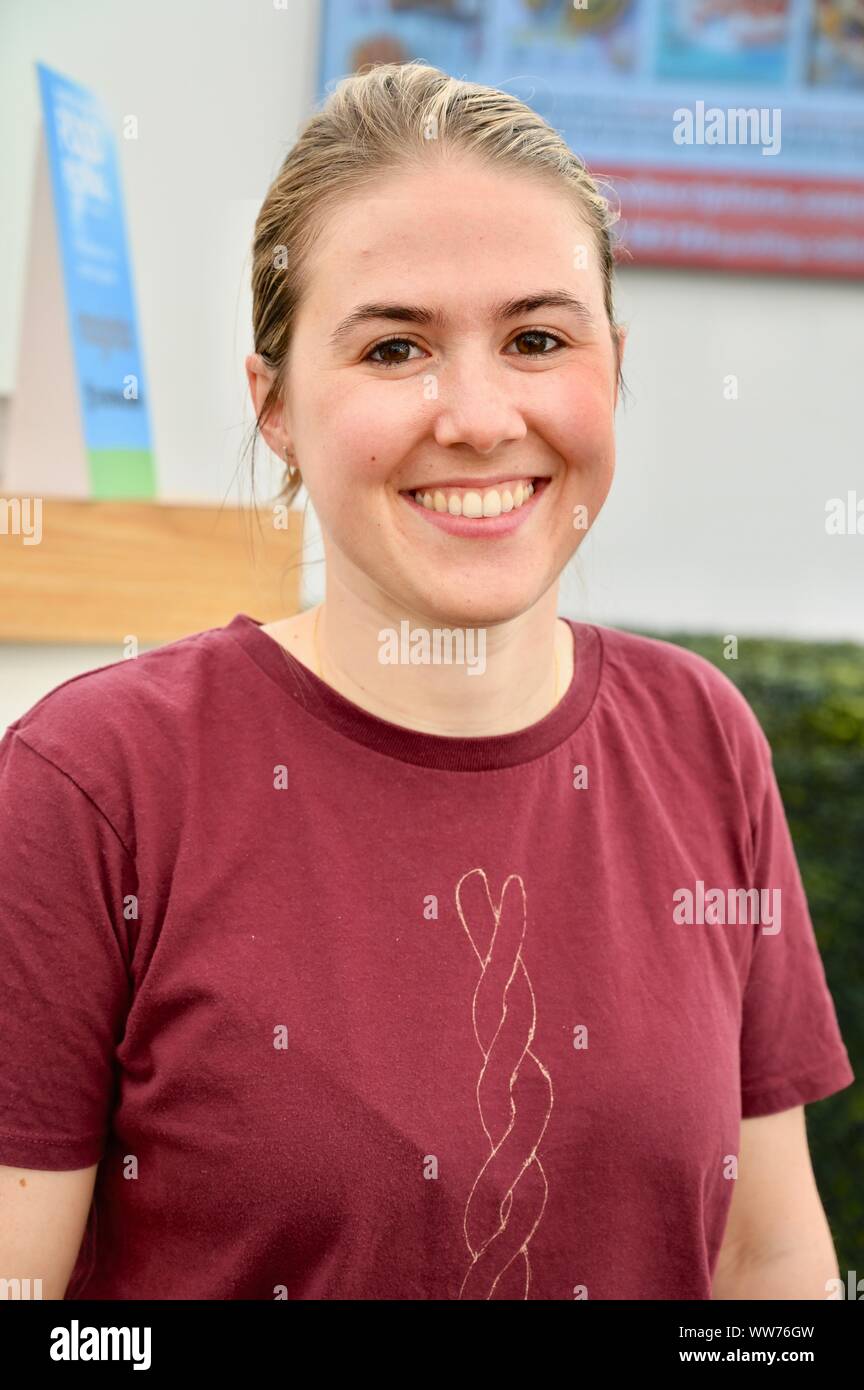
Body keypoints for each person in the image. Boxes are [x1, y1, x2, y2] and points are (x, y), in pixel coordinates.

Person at [0, 62, 854, 1302]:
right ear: (276, 405)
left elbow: (763, 1255)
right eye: (395, 346)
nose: (476, 413)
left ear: (613, 364)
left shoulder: (703, 739)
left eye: (537, 338)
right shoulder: (93, 786)